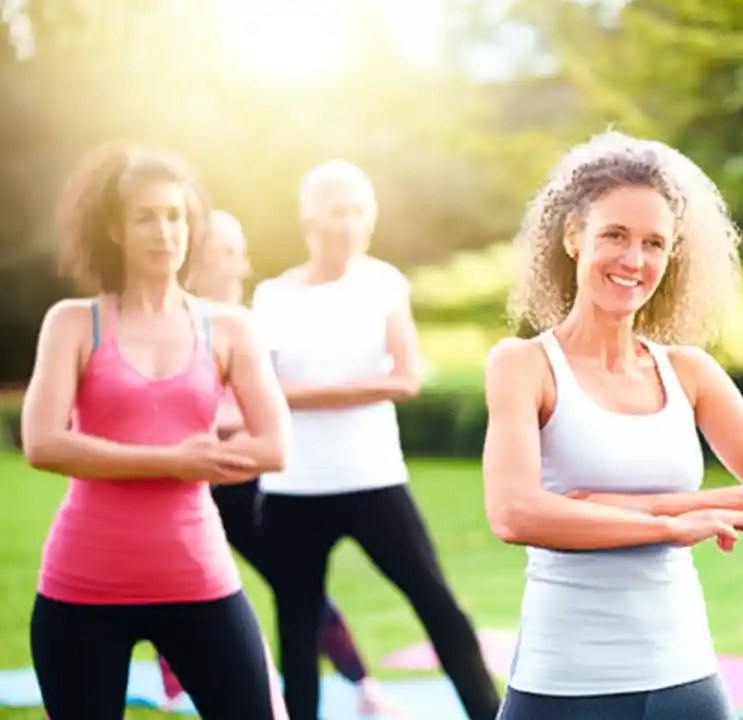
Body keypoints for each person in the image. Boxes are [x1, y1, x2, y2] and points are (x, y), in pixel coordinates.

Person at [481, 130, 743, 720]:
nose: (634, 260)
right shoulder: (524, 366)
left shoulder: (689, 372)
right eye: (615, 235)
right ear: (573, 237)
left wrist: (645, 507)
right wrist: (669, 526)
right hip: (564, 682)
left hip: (682, 675)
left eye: (654, 243)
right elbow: (514, 513)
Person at [21, 144, 288, 719]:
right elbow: (42, 443)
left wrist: (189, 461)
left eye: (175, 216)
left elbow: (274, 445)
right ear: (115, 229)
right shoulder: (74, 322)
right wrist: (175, 461)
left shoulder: (230, 328)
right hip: (82, 589)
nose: (164, 231)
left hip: (199, 578)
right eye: (145, 216)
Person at [251, 160, 500, 720]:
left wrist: (303, 392)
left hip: (372, 480)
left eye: (359, 210)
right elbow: (259, 391)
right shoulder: (272, 296)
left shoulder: (383, 283)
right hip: (294, 486)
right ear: (310, 218)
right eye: (337, 210)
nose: (348, 222)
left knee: (439, 606)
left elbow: (406, 379)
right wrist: (356, 388)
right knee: (297, 625)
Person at [157, 209, 401, 717]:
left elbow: (266, 411)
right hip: (182, 485)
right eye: (221, 250)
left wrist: (227, 434)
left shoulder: (248, 325)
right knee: (162, 587)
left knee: (297, 591)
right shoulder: (171, 323)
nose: (235, 263)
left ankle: (360, 682)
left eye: (234, 250)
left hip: (246, 488)